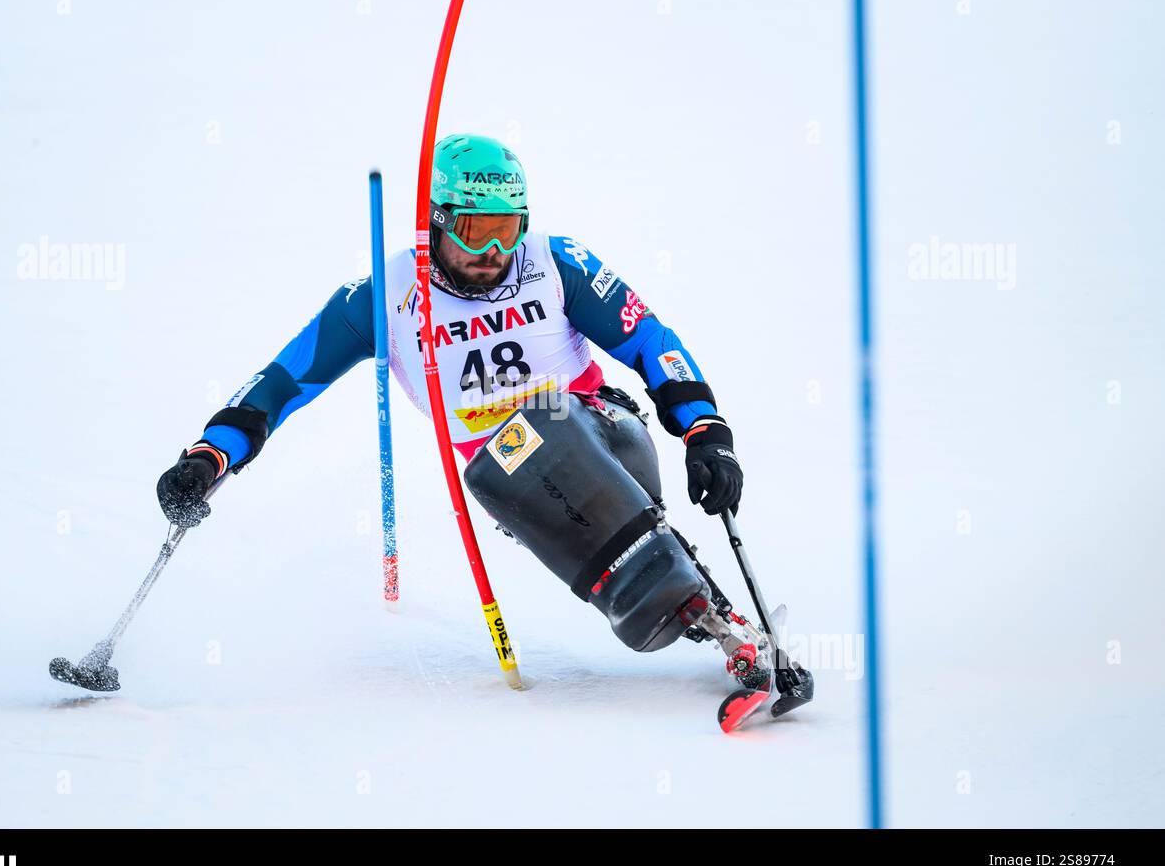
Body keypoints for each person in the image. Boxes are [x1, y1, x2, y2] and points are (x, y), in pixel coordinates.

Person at [156, 133, 793, 727]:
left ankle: (697, 608)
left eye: (507, 231)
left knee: (537, 427)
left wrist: (704, 430)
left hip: (603, 432)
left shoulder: (554, 263)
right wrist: (210, 457)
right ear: (435, 219)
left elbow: (650, 341)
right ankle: (721, 627)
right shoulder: (384, 297)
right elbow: (280, 384)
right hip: (518, 483)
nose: (494, 255)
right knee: (510, 470)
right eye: (476, 232)